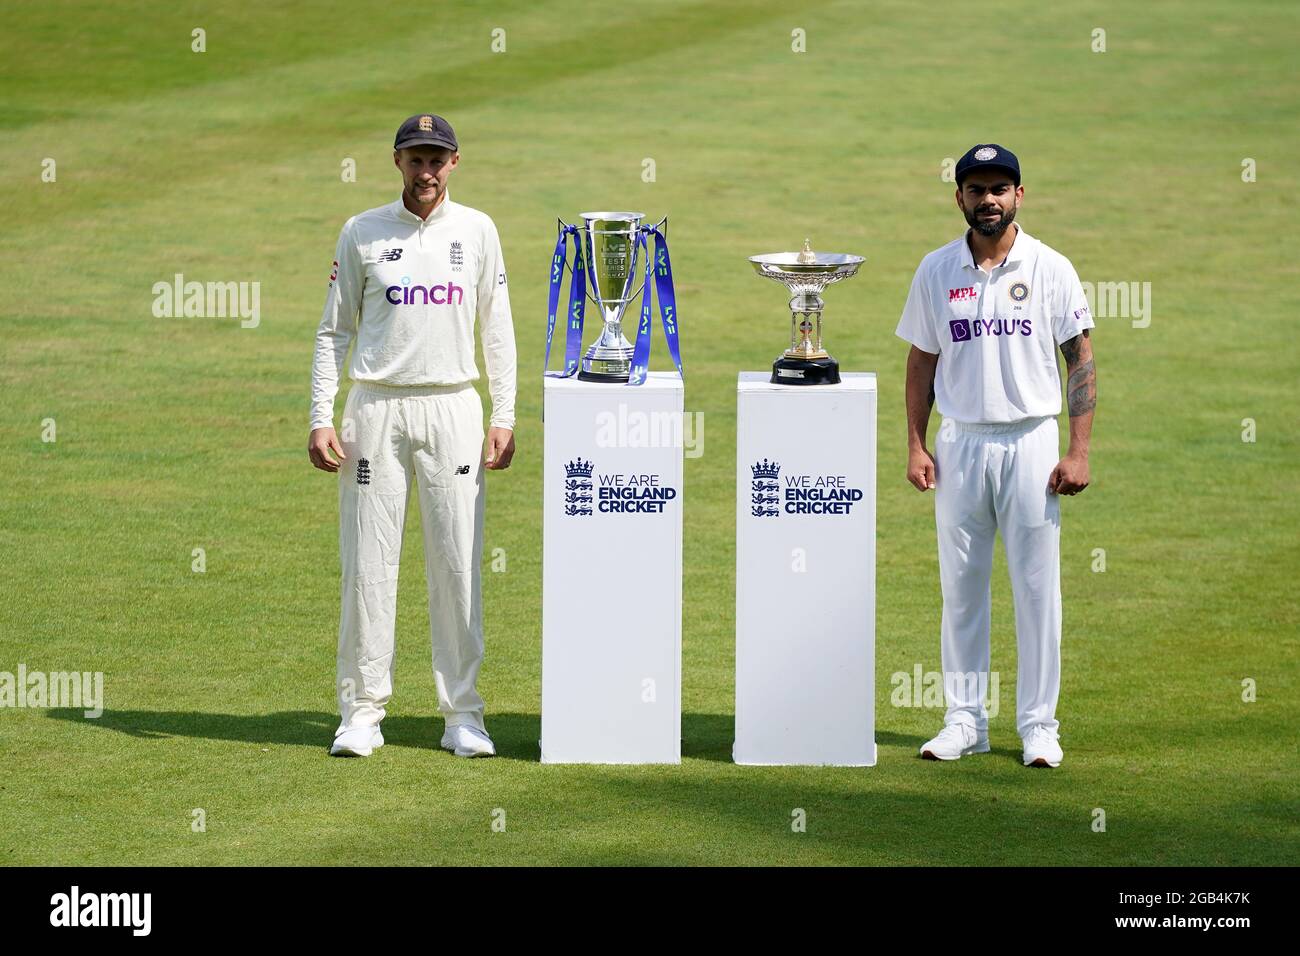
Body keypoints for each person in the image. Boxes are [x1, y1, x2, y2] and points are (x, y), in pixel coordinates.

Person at [308, 113, 517, 758]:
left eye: (436, 159)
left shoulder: (477, 230)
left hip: (453, 406)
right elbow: (333, 332)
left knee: (457, 564)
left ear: (454, 163)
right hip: (376, 408)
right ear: (397, 162)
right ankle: (362, 713)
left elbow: (497, 328)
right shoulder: (363, 232)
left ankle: (462, 715)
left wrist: (503, 413)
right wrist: (321, 414)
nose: (425, 171)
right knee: (369, 564)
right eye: (415, 159)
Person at [895, 143, 1096, 768]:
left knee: (1038, 590)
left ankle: (1039, 725)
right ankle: (964, 720)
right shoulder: (936, 270)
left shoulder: (1051, 267)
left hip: (1032, 442)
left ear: (1019, 196)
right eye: (976, 189)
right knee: (961, 588)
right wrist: (915, 443)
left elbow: (1081, 358)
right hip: (961, 443)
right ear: (958, 197)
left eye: (999, 189)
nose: (988, 200)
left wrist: (1078, 449)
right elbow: (921, 360)